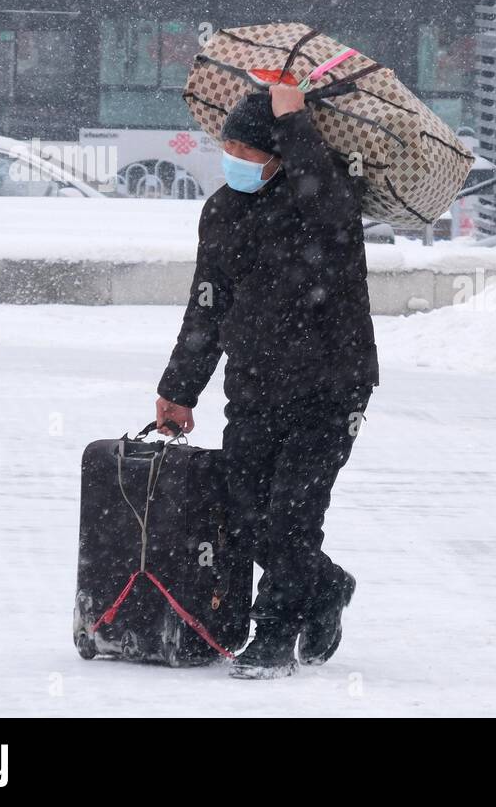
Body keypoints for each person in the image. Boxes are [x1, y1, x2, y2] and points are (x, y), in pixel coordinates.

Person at [154, 83, 379, 678]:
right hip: (253, 388)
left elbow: (324, 199)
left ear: (280, 152)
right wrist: (179, 388)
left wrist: (294, 118)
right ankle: (327, 587)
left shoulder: (325, 201)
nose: (235, 159)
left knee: (292, 518)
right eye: (228, 146)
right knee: (248, 517)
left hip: (332, 390)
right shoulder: (222, 210)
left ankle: (274, 635)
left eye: (249, 150)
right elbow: (206, 306)